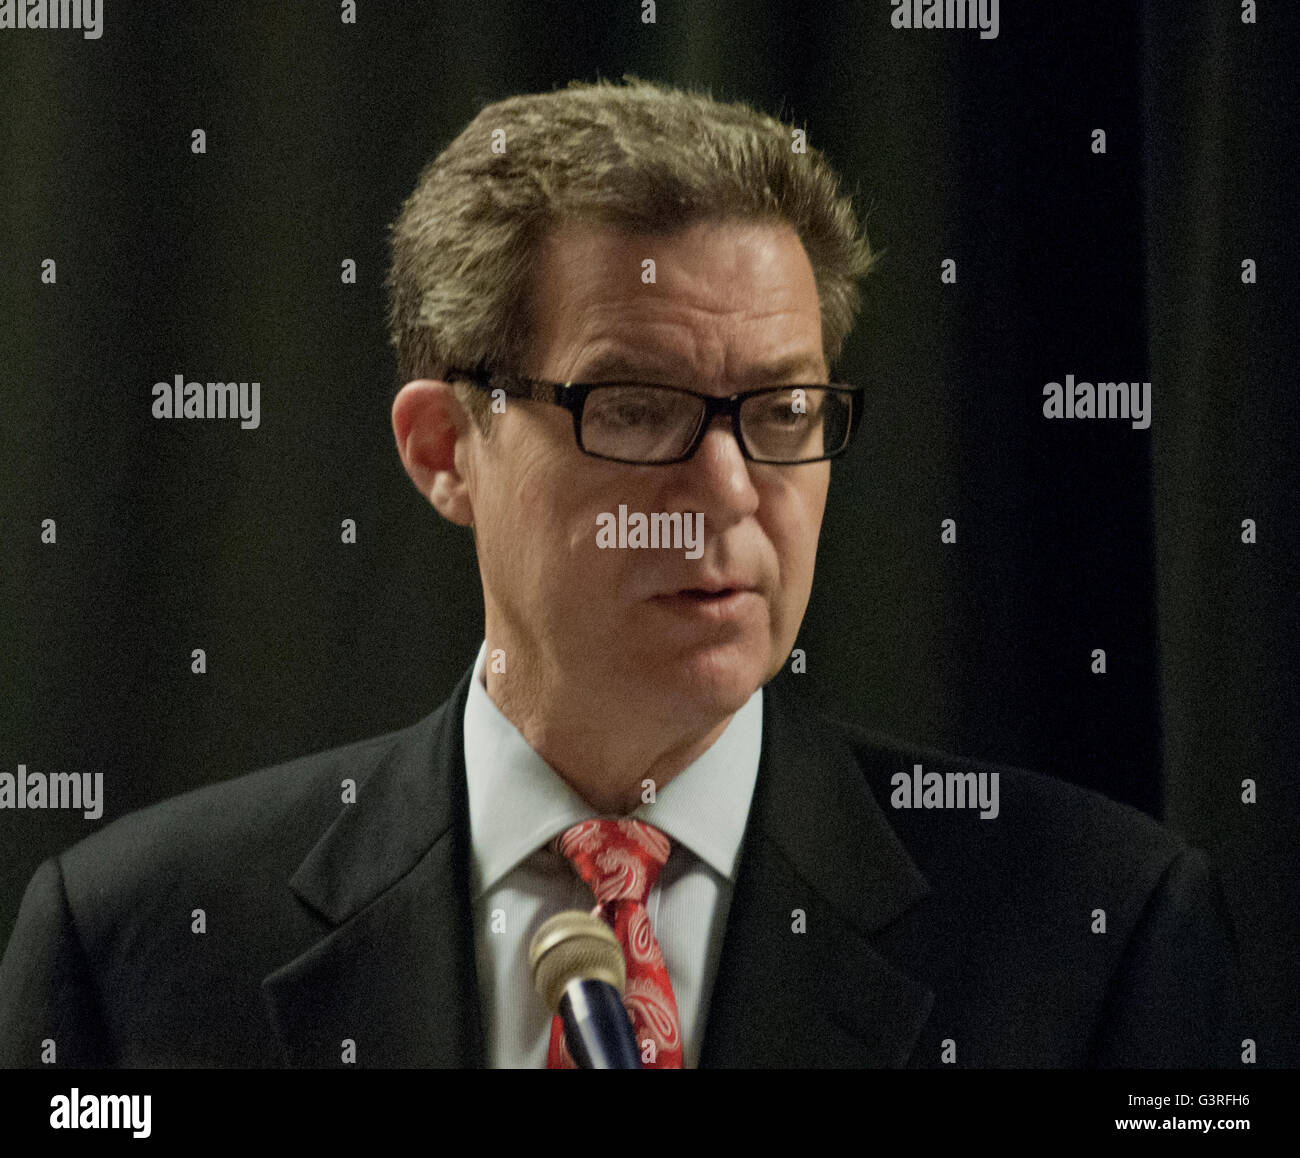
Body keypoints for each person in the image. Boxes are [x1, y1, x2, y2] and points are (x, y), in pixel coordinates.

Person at [0, 77, 1242, 1068]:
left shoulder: (1096, 929)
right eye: (637, 409)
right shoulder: (135, 947)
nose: (730, 488)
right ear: (445, 450)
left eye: (782, 409)